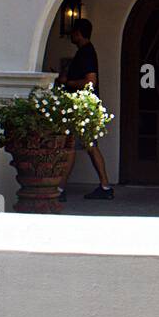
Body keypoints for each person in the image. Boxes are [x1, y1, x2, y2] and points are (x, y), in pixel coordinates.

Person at [57, 19, 113, 202]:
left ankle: (59, 188)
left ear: (79, 33)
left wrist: (67, 83)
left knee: (70, 145)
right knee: (90, 146)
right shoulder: (85, 52)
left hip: (82, 107)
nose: (71, 36)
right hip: (85, 106)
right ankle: (105, 186)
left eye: (73, 32)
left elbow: (90, 82)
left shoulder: (87, 53)